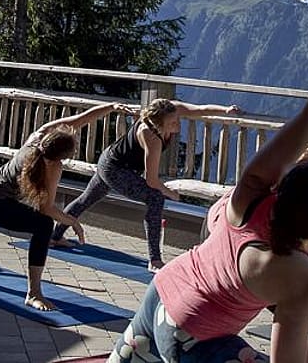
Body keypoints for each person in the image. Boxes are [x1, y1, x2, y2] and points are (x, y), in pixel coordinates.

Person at [110, 0, 308, 363]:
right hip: (197, 341)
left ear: (283, 185)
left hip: (161, 294)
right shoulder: (303, 274)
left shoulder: (248, 196)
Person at [0, 100, 135, 311]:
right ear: (64, 155)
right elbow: (47, 209)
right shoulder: (53, 167)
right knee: (44, 225)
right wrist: (73, 222)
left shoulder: (39, 136)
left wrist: (109, 107)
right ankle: (33, 293)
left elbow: (78, 121)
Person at [52, 98, 240, 271]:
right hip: (114, 169)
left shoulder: (169, 109)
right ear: (159, 124)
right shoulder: (151, 136)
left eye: (177, 119)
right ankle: (155, 260)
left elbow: (200, 109)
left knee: (85, 200)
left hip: (111, 161)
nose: (178, 124)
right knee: (155, 198)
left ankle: (55, 237)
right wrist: (171, 193)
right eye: (173, 123)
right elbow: (152, 180)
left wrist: (226, 110)